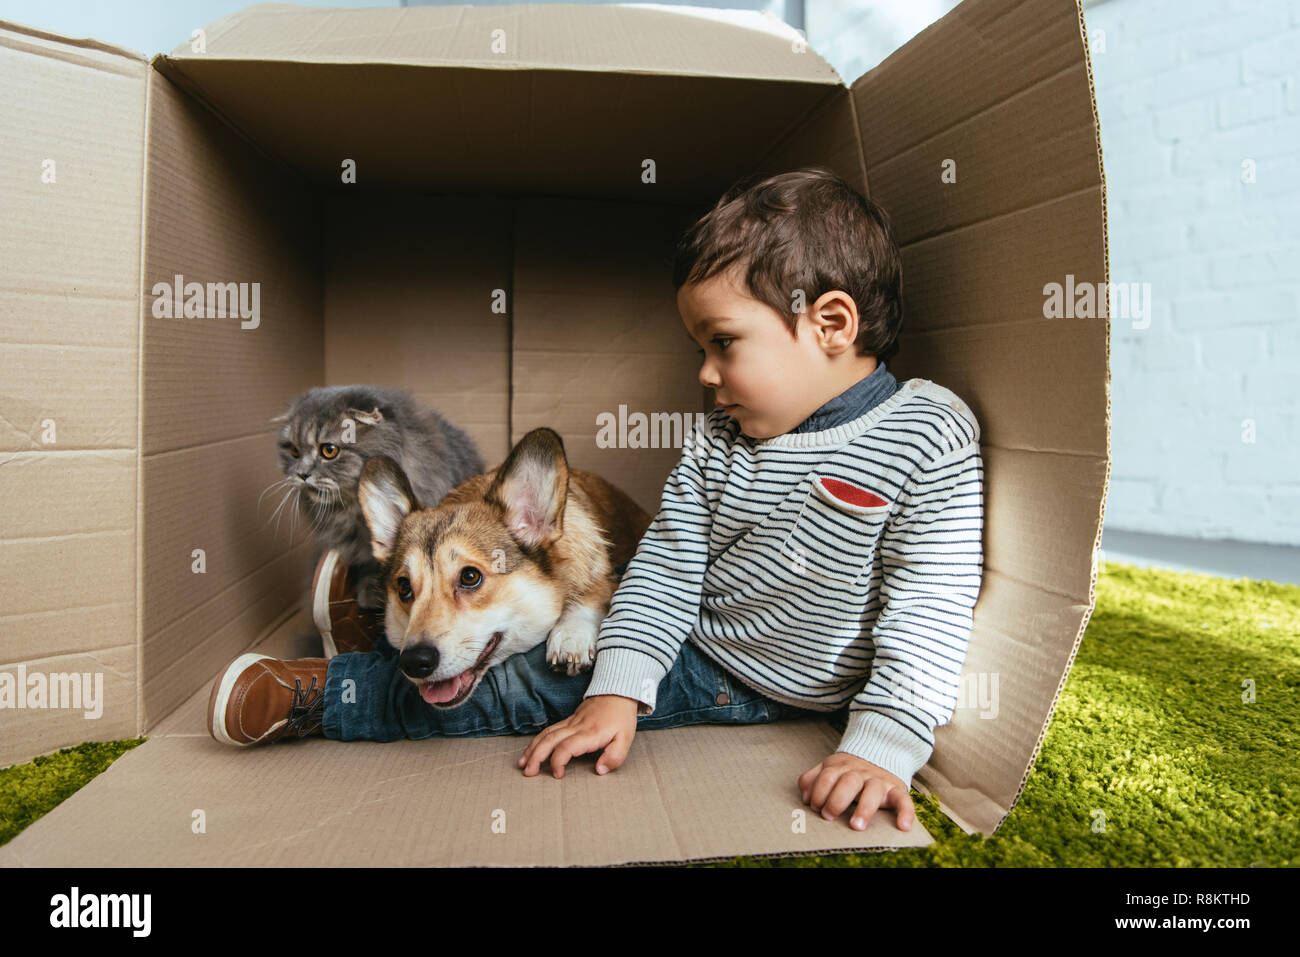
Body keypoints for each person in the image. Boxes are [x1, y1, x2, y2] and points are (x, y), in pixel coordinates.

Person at [207, 166, 984, 834]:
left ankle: (327, 697)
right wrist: (619, 683)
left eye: (723, 343)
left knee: (534, 687)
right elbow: (667, 569)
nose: (705, 374)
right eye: (699, 350)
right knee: (569, 667)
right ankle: (377, 631)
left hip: (762, 678)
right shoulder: (721, 438)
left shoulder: (929, 436)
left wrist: (881, 742)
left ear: (831, 323)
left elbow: (931, 605)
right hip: (687, 635)